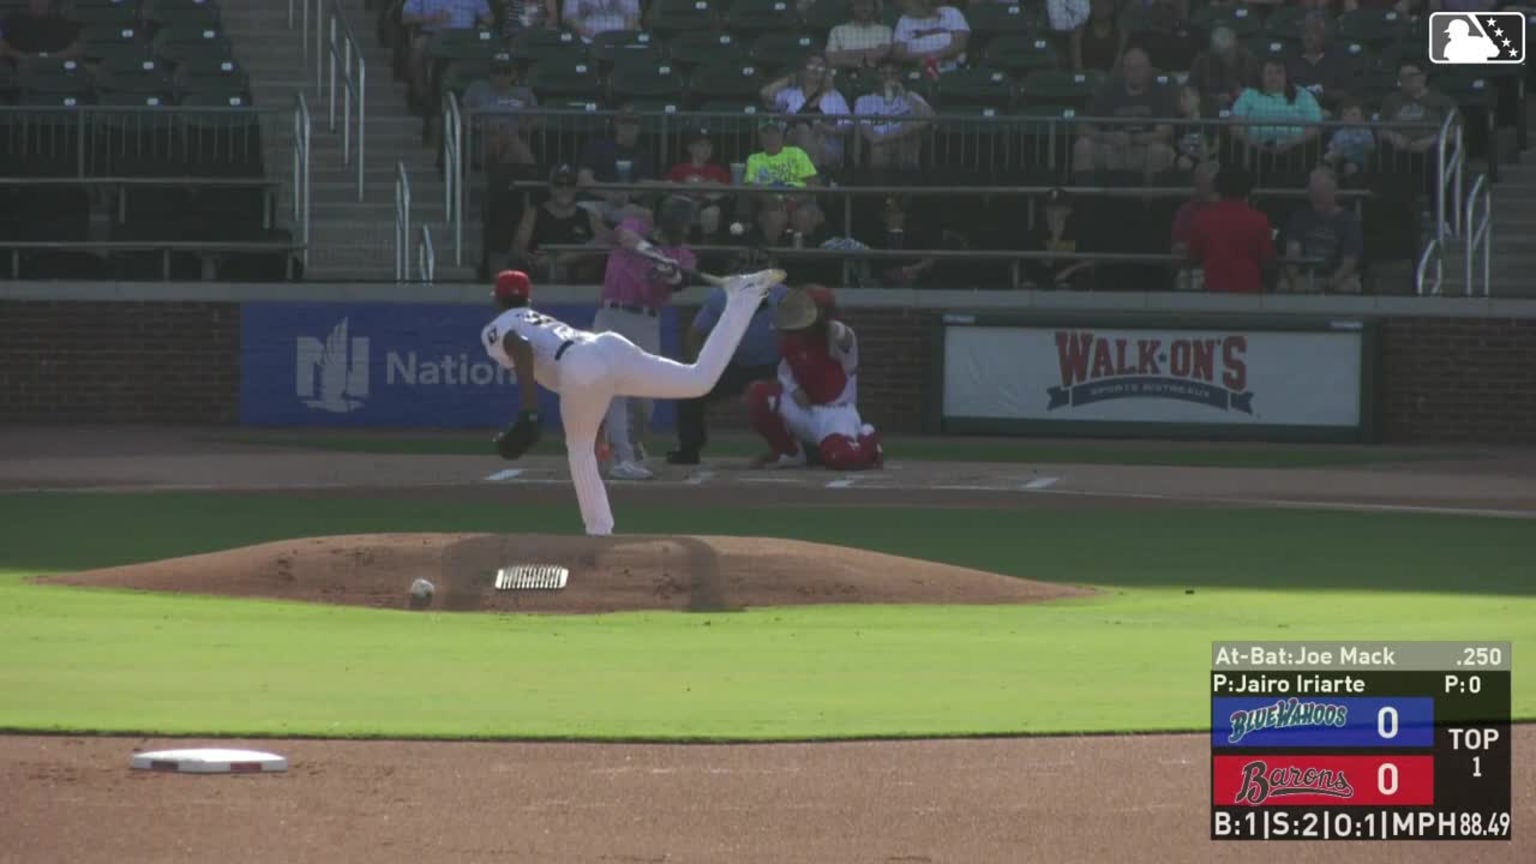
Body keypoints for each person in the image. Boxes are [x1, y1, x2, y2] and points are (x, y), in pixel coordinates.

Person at [482, 267, 782, 536]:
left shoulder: (496, 328)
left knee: (579, 450)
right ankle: (744, 297)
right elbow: (584, 382)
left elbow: (522, 348)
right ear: (529, 299)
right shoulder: (541, 319)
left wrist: (529, 409)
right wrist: (599, 430)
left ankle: (599, 532)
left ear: (496, 297)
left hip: (581, 365)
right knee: (698, 381)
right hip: (608, 347)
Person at [595, 196, 699, 480]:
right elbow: (624, 236)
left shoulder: (683, 256)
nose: (687, 228)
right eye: (684, 222)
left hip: (646, 322)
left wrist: (670, 274)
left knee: (644, 402)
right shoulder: (636, 226)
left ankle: (630, 442)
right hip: (611, 315)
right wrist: (649, 251)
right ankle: (622, 458)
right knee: (614, 390)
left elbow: (679, 281)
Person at [744, 286, 884, 471]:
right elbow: (785, 371)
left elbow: (844, 337)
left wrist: (822, 320)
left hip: (835, 413)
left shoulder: (835, 335)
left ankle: (867, 437)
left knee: (841, 458)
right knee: (758, 394)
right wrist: (794, 389)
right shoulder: (790, 339)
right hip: (805, 410)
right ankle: (790, 453)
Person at [665, 279, 791, 466]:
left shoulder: (785, 298)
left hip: (775, 366)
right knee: (689, 389)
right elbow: (697, 332)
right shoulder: (721, 297)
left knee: (801, 391)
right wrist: (701, 367)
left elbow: (801, 335)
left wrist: (790, 370)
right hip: (734, 364)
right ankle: (689, 449)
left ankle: (796, 449)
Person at [1186, 166, 1275, 294]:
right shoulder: (1260, 220)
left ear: (1217, 188)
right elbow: (1268, 260)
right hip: (1249, 291)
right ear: (1248, 190)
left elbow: (1192, 256)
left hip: (1214, 289)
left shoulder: (1203, 219)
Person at [1282, 167, 1363, 294]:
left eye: (1322, 193)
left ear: (1333, 192)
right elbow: (1293, 255)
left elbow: (1349, 261)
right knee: (1284, 286)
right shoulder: (1299, 218)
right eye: (1314, 193)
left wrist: (1331, 282)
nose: (1317, 198)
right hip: (1305, 277)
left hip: (1339, 276)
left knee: (1348, 286)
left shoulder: (1349, 221)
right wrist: (1293, 279)